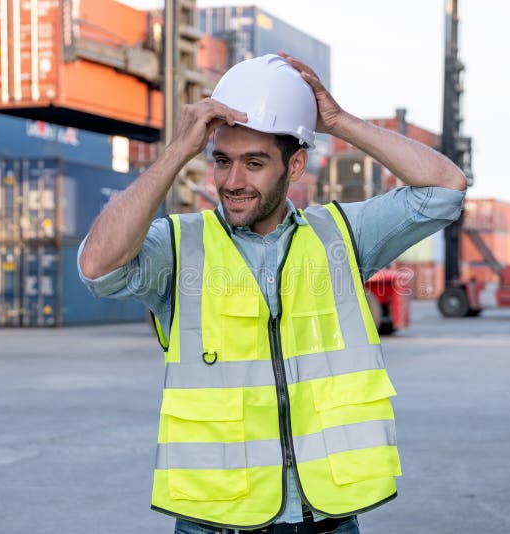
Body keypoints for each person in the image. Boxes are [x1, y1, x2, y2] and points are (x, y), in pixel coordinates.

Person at [79, 53, 466, 534]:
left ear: (296, 164)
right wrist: (176, 152)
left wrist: (341, 123)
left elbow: (445, 187)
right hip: (214, 519)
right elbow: (98, 266)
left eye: (254, 163)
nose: (233, 181)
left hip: (322, 515)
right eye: (222, 161)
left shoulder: (342, 235)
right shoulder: (179, 247)